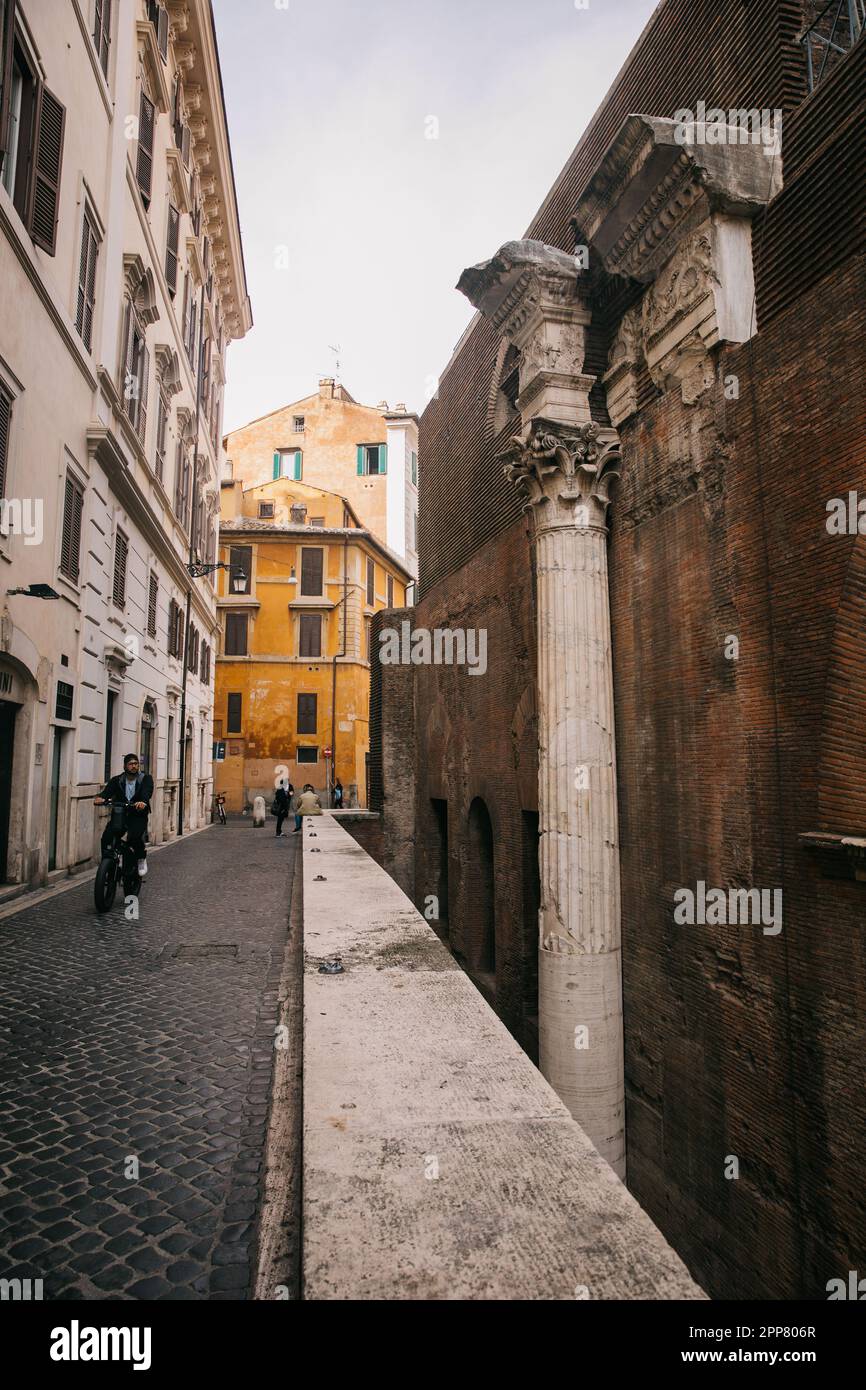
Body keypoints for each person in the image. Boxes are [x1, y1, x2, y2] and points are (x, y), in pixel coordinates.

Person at [94, 753, 153, 878]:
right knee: (107, 837)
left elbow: (146, 792)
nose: (134, 766)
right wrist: (101, 798)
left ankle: (141, 859)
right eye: (131, 764)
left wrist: (143, 802)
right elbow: (107, 792)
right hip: (120, 815)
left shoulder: (145, 779)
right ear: (125, 766)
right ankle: (109, 861)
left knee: (135, 838)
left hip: (137, 815)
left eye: (136, 764)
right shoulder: (117, 780)